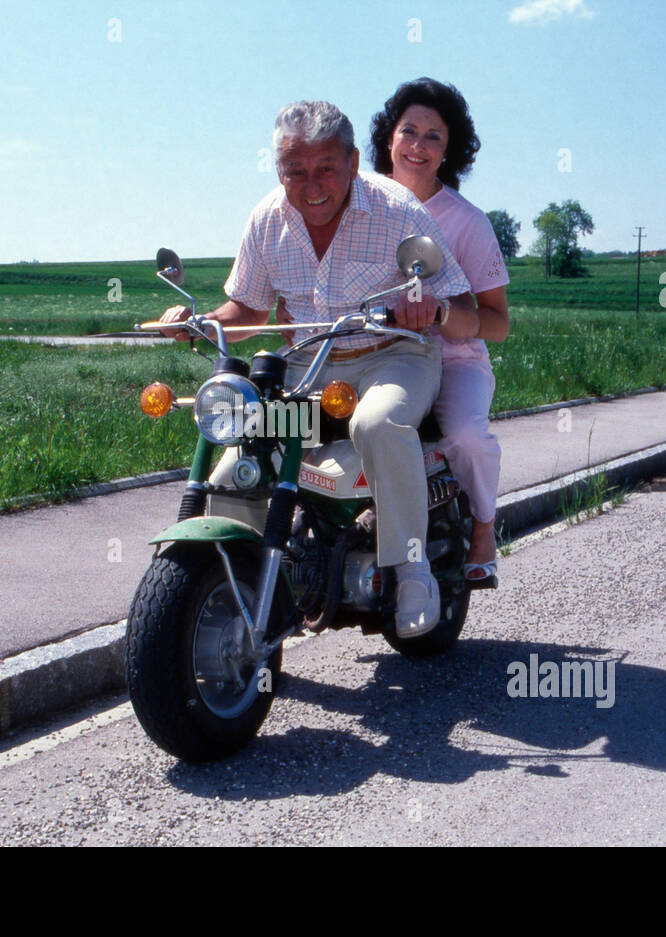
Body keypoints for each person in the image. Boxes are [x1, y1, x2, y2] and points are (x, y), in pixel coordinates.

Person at [159, 100, 477, 637]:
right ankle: (242, 580)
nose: (311, 185)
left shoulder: (398, 210)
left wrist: (435, 309)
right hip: (308, 368)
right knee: (248, 450)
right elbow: (249, 311)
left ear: (353, 163)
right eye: (294, 171)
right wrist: (199, 319)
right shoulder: (267, 220)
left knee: (378, 423)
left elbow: (466, 312)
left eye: (326, 167)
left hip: (392, 357)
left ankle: (412, 570)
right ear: (277, 168)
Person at [370, 77, 509, 587]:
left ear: (450, 150)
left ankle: (484, 527)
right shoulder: (358, 205)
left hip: (453, 361)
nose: (418, 146)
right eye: (409, 131)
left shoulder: (468, 222)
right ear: (388, 138)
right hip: (371, 354)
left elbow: (497, 322)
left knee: (469, 436)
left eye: (434, 136)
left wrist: (445, 316)